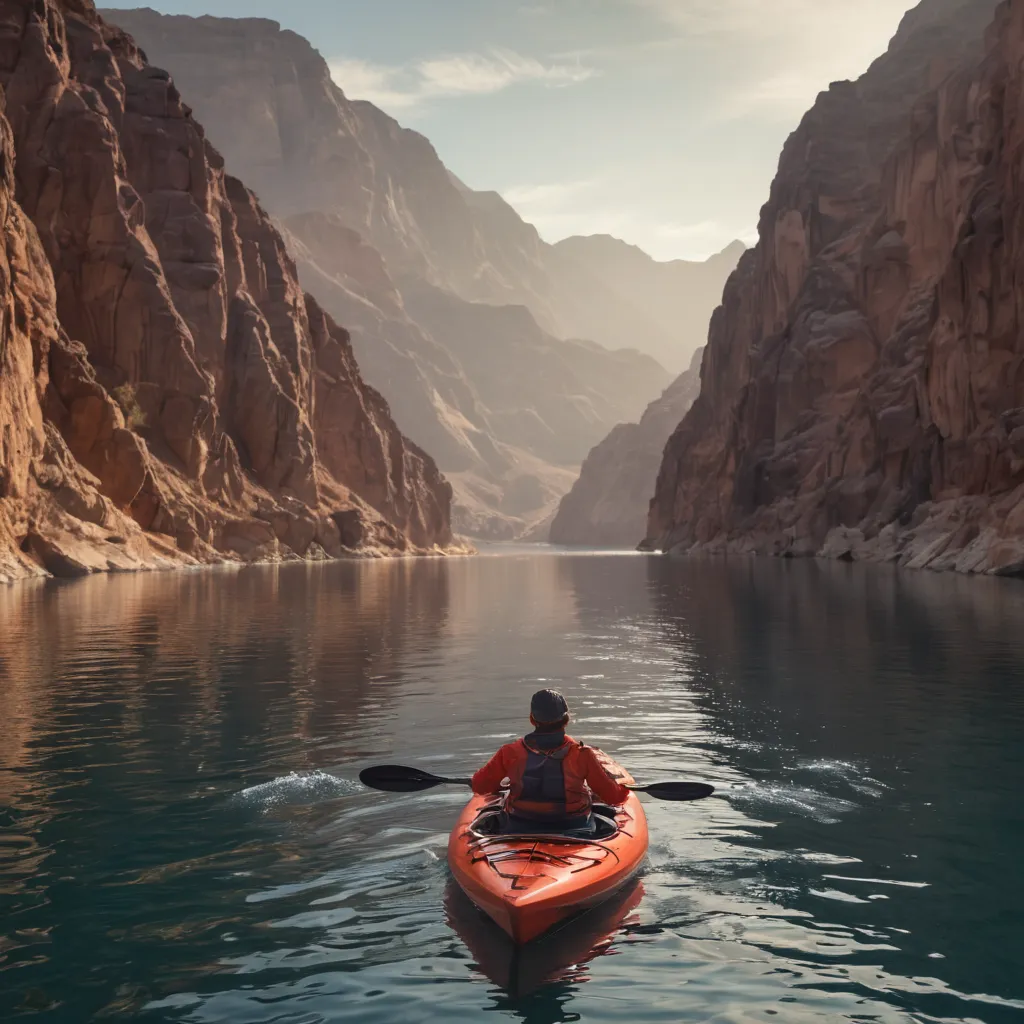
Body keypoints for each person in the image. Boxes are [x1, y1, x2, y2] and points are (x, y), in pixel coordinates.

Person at [471, 689, 631, 834]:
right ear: (566, 720)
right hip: (573, 826)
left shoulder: (509, 752)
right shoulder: (582, 754)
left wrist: (499, 786)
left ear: (532, 719)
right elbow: (614, 798)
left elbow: (480, 786)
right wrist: (622, 787)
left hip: (519, 825)